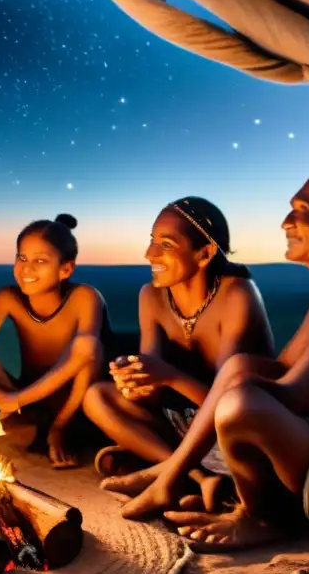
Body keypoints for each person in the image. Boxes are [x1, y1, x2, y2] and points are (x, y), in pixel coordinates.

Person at [122, 153, 309, 551]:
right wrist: (235, 376)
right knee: (242, 367)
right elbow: (281, 367)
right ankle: (171, 477)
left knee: (241, 403)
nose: (286, 222)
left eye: (301, 209)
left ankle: (260, 518)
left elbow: (294, 395)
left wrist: (210, 387)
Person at [82, 197, 274, 509]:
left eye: (166, 244)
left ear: (205, 253)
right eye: (151, 241)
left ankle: (167, 471)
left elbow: (229, 403)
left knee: (231, 425)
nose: (149, 254)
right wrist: (135, 380)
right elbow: (154, 396)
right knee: (97, 397)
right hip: (182, 424)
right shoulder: (152, 295)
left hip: (234, 432)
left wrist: (167, 375)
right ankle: (198, 477)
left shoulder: (237, 294)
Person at [0, 214, 109, 468]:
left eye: (40, 261)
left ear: (66, 269)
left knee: (88, 346)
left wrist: (17, 400)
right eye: (22, 258)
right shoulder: (8, 297)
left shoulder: (85, 297)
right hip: (31, 401)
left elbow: (88, 353)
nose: (26, 268)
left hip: (78, 406)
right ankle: (14, 421)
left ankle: (57, 431)